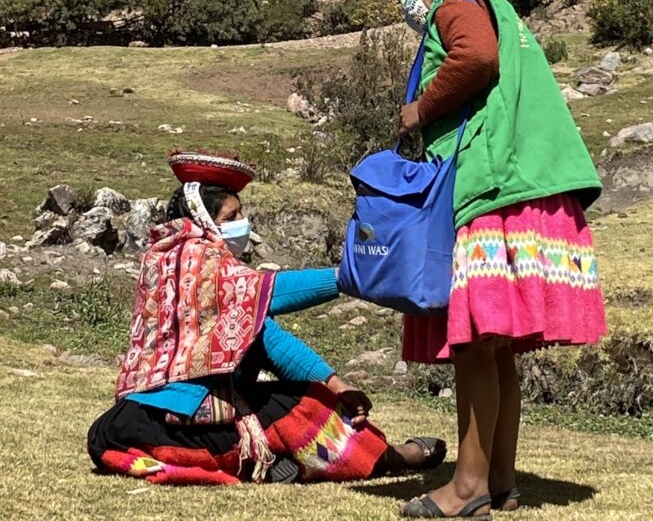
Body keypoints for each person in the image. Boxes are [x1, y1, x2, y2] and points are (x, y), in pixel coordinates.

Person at [378, 0, 607, 518]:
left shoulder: (454, 2)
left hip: (492, 184)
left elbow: (475, 57)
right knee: (496, 348)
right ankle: (500, 480)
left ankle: (467, 487)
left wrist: (418, 111)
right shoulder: (497, 6)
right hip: (526, 181)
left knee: (476, 345)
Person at [88, 149, 446, 487]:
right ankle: (390, 457)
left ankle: (268, 461)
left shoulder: (165, 259)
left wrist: (334, 382)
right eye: (231, 217)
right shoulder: (202, 261)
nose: (242, 224)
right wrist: (348, 278)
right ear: (204, 221)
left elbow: (262, 336)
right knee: (309, 408)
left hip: (124, 424)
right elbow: (269, 294)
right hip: (183, 421)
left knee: (301, 394)